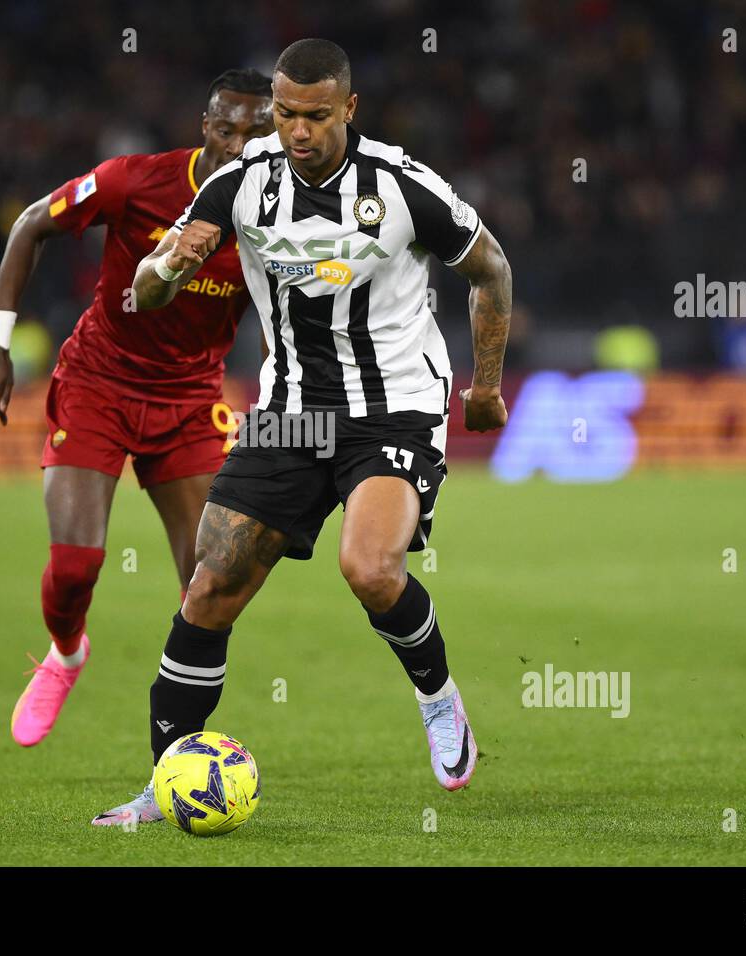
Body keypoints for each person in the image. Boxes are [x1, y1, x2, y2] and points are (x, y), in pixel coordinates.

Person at [92, 39, 511, 826]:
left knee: (370, 568)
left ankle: (438, 698)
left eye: (316, 116)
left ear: (348, 109)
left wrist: (484, 386)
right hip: (290, 414)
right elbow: (145, 292)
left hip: (394, 408)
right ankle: (165, 782)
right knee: (209, 586)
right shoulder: (238, 184)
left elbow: (490, 267)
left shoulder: (401, 184)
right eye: (285, 114)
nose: (297, 131)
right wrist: (169, 267)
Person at [0, 70, 274, 747]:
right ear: (205, 127)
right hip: (98, 383)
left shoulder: (280, 217)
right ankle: (67, 653)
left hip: (192, 400)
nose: (238, 144)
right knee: (77, 565)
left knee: (208, 585)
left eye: (256, 132)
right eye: (225, 129)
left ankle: (178, 743)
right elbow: (29, 225)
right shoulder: (135, 181)